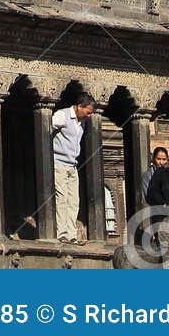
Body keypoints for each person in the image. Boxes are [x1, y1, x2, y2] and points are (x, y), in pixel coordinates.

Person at [51, 92, 95, 243]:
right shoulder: (62, 115)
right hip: (59, 163)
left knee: (73, 201)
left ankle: (72, 234)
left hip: (72, 165)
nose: (89, 115)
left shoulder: (81, 121)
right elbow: (46, 128)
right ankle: (61, 233)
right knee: (61, 198)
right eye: (87, 112)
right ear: (79, 106)